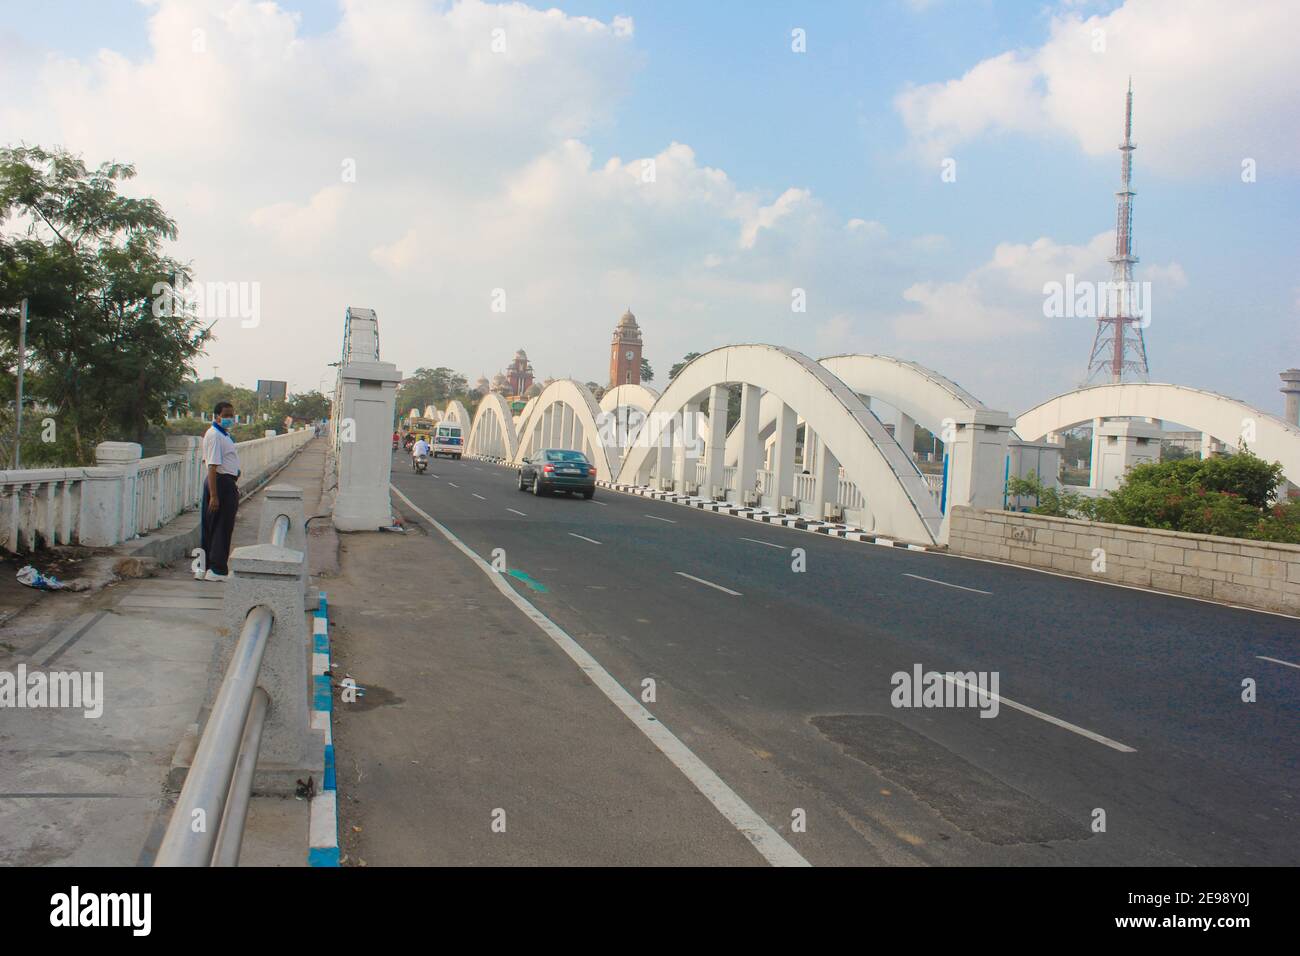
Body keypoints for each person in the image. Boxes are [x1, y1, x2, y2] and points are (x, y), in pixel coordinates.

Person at [199, 400, 241, 582]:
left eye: (231, 415)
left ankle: (203, 567)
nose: (229, 419)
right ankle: (217, 570)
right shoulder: (216, 436)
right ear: (216, 416)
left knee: (211, 525)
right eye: (226, 415)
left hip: (220, 481)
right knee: (222, 526)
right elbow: (212, 466)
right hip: (221, 483)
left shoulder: (221, 435)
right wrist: (214, 496)